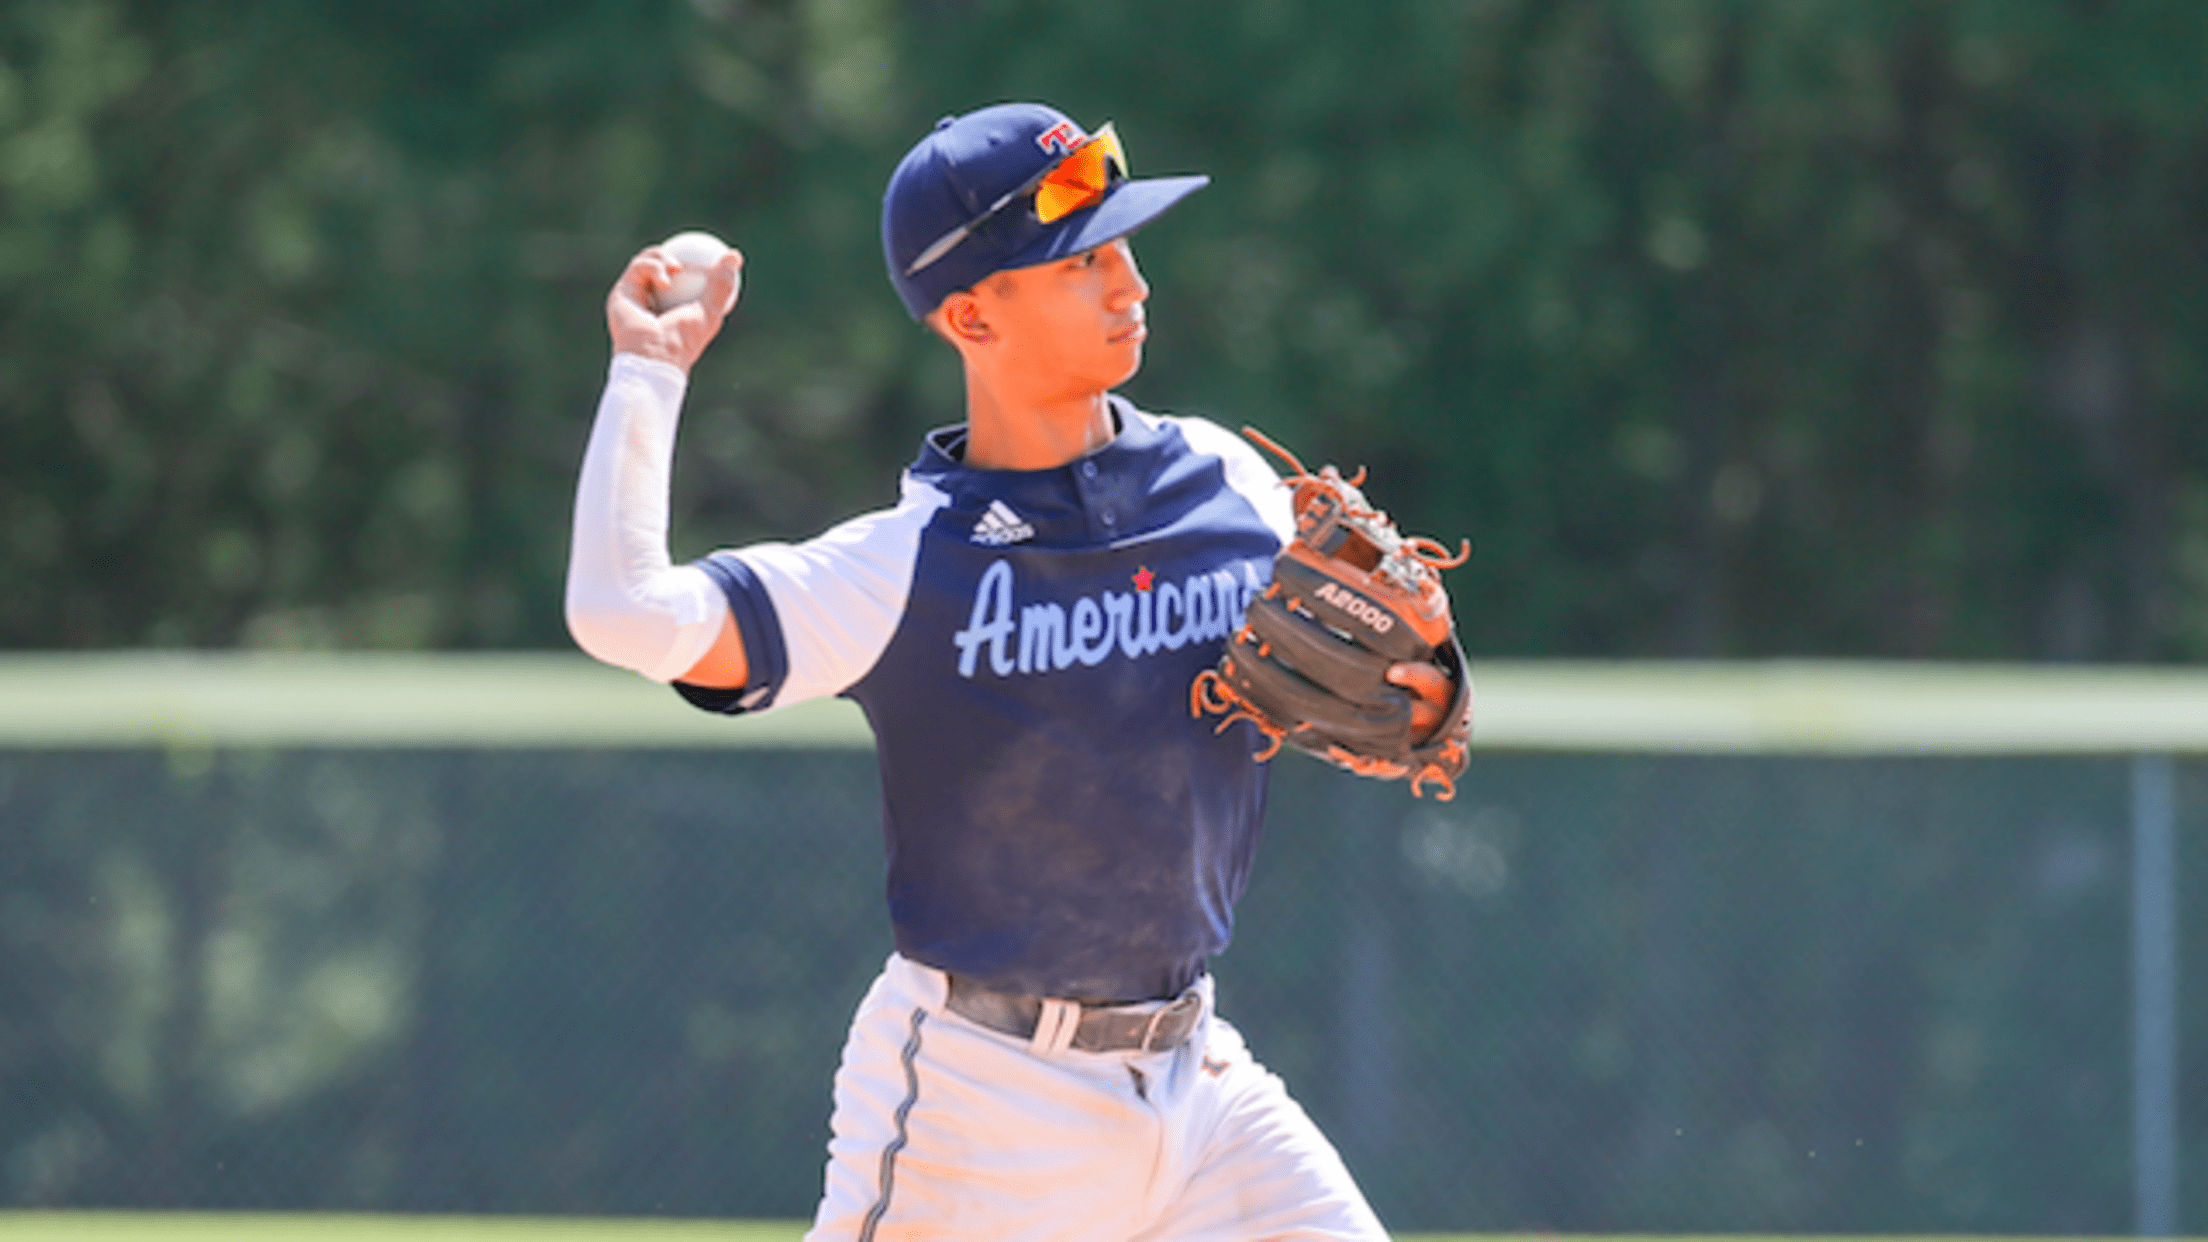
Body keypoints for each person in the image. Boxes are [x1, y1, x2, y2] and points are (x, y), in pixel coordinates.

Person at [565, 102, 1448, 1241]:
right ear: (972, 313)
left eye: (1126, 247)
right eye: (1083, 262)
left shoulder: (1229, 483)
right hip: (983, 1110)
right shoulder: (904, 566)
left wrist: (1424, 686)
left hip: (1198, 1084)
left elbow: (1388, 664)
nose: (1130, 284)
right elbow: (622, 611)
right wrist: (648, 371)